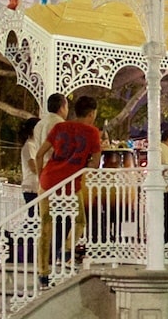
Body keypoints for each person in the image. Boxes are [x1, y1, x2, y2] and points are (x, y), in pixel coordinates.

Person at [35, 95, 102, 283]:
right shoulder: (92, 132)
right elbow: (95, 164)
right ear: (91, 113)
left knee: (45, 226)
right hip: (71, 184)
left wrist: (41, 176)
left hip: (48, 181)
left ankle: (43, 272)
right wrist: (85, 161)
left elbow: (40, 155)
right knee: (80, 221)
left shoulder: (59, 127)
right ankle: (65, 249)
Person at [28, 93, 69, 203]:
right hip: (58, 174)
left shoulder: (39, 124)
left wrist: (40, 176)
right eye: (67, 106)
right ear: (62, 107)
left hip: (44, 173)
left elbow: (39, 155)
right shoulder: (60, 124)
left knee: (46, 215)